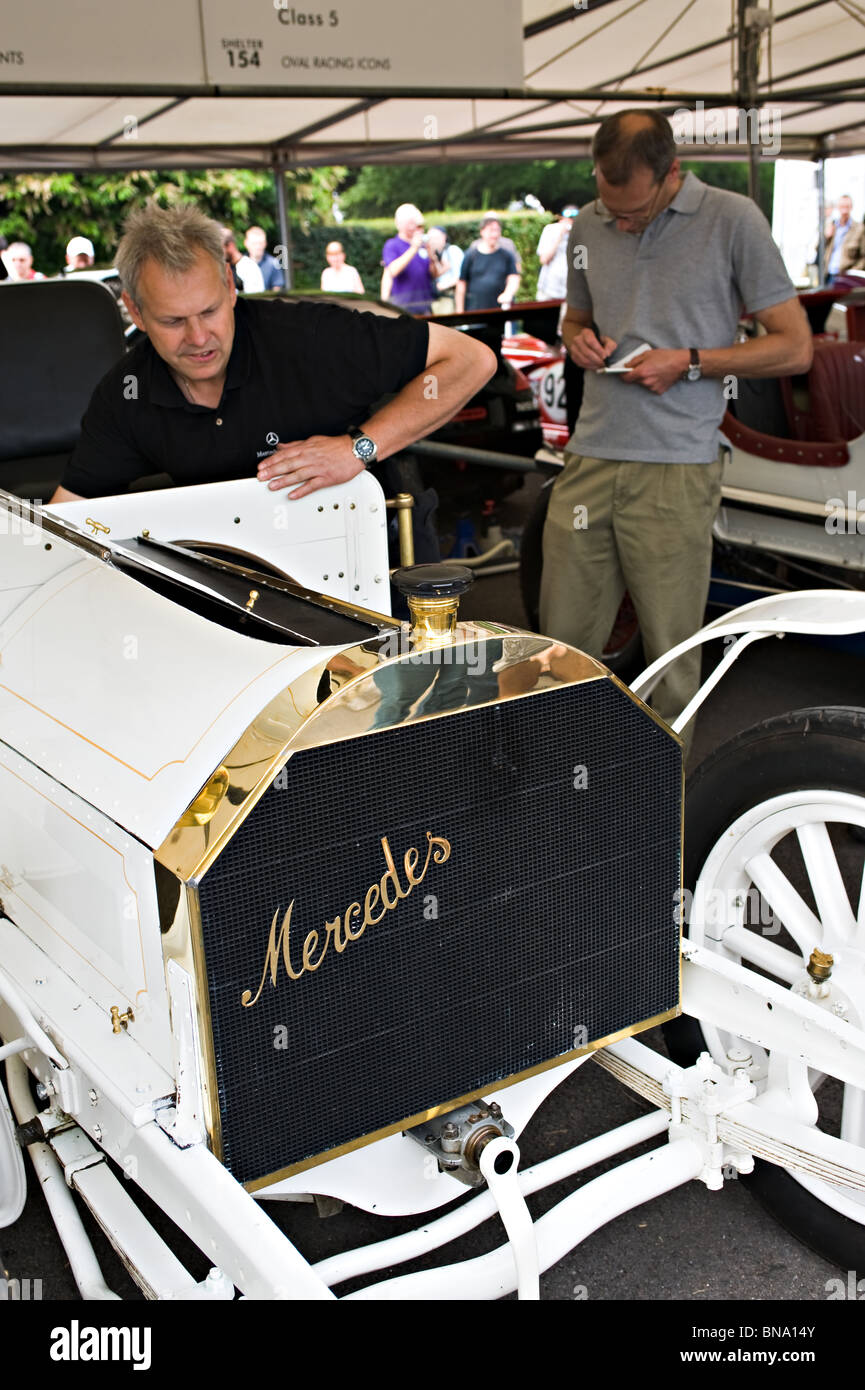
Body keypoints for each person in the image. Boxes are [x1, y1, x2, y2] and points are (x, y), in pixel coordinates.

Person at [539, 109, 812, 744]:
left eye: (633, 212)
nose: (620, 222)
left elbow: (795, 347)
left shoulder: (732, 218)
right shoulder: (588, 221)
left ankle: (661, 815)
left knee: (670, 657)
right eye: (612, 208)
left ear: (672, 174)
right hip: (590, 453)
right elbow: (574, 321)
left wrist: (689, 362)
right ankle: (553, 795)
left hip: (677, 463)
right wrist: (578, 343)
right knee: (557, 649)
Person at [48, 204, 496, 505]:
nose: (199, 337)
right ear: (135, 312)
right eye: (173, 321)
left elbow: (470, 359)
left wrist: (358, 449)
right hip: (235, 593)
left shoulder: (312, 337)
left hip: (374, 570)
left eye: (209, 311)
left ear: (230, 285)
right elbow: (67, 516)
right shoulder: (126, 393)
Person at [381, 204, 441, 314]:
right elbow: (393, 271)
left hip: (425, 307)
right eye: (411, 223)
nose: (414, 227)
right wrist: (413, 248)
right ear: (400, 225)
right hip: (402, 308)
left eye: (416, 224)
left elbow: (434, 275)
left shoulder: (423, 245)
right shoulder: (392, 245)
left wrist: (432, 258)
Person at [455, 215, 520, 313]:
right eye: (491, 230)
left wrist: (508, 293)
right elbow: (461, 283)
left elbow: (514, 277)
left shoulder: (506, 255)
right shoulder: (470, 255)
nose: (494, 234)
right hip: (475, 310)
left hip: (500, 310)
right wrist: (459, 311)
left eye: (497, 230)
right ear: (482, 232)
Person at [536, 206, 578, 302]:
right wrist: (560, 236)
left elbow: (580, 265)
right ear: (562, 218)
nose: (571, 221)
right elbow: (544, 259)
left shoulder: (580, 234)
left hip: (569, 292)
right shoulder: (550, 230)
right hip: (548, 289)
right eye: (569, 218)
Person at [823, 196, 864, 284]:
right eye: (842, 207)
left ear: (851, 208)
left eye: (847, 207)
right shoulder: (832, 226)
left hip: (847, 277)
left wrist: (854, 270)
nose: (844, 210)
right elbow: (818, 250)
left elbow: (863, 256)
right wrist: (825, 237)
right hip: (829, 274)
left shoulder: (859, 229)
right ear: (838, 208)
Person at [426, 227, 463, 314]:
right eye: (430, 238)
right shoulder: (431, 254)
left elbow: (460, 277)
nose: (433, 241)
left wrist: (442, 286)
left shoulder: (453, 250)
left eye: (436, 238)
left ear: (444, 237)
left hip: (449, 298)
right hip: (433, 300)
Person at [221, 227, 265, 294]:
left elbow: (254, 298)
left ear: (230, 246)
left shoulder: (248, 267)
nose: (220, 253)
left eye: (221, 249)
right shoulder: (227, 267)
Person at [244, 225, 286, 290]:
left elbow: (277, 291)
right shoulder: (241, 264)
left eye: (260, 243)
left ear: (265, 244)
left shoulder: (273, 264)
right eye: (254, 243)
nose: (258, 247)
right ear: (246, 243)